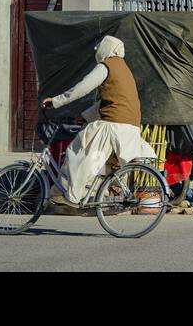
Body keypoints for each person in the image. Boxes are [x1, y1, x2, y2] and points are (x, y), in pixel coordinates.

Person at [41, 35, 157, 204]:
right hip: (130, 127)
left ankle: (73, 196)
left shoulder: (106, 66)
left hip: (113, 125)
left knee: (77, 152)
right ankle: (98, 196)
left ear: (106, 48)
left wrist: (56, 101)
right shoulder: (124, 69)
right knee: (101, 164)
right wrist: (83, 117)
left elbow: (83, 87)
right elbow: (109, 101)